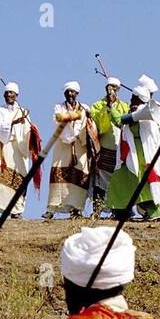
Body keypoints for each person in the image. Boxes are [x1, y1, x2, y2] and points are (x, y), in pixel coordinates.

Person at [106, 75, 160, 220]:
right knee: (121, 180)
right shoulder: (139, 111)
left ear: (138, 99)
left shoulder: (141, 111)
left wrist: (110, 106)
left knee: (142, 183)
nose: (131, 100)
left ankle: (152, 212)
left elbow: (119, 120)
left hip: (140, 155)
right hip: (132, 154)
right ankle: (122, 211)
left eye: (133, 98)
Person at [45, 82, 98, 220]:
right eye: (67, 92)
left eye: (72, 92)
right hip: (62, 146)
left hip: (80, 146)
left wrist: (89, 117)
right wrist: (76, 116)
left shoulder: (84, 107)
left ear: (77, 93)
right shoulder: (59, 107)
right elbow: (58, 119)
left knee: (79, 176)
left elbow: (90, 126)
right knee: (58, 175)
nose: (70, 94)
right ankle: (51, 209)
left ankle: (76, 209)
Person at [0, 83, 39, 220]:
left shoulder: (23, 111)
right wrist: (13, 122)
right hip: (3, 148)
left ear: (17, 95)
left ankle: (16, 211)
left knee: (19, 181)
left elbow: (27, 131)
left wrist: (33, 134)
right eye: (7, 93)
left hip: (19, 150)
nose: (9, 95)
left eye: (11, 93)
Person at [89, 77, 126, 212]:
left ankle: (118, 209)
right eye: (109, 88)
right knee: (101, 180)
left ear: (118, 89)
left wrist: (113, 108)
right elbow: (99, 125)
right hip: (104, 147)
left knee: (118, 180)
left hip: (119, 150)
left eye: (114, 88)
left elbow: (123, 123)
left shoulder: (125, 106)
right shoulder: (97, 105)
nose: (111, 90)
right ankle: (97, 209)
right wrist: (107, 108)